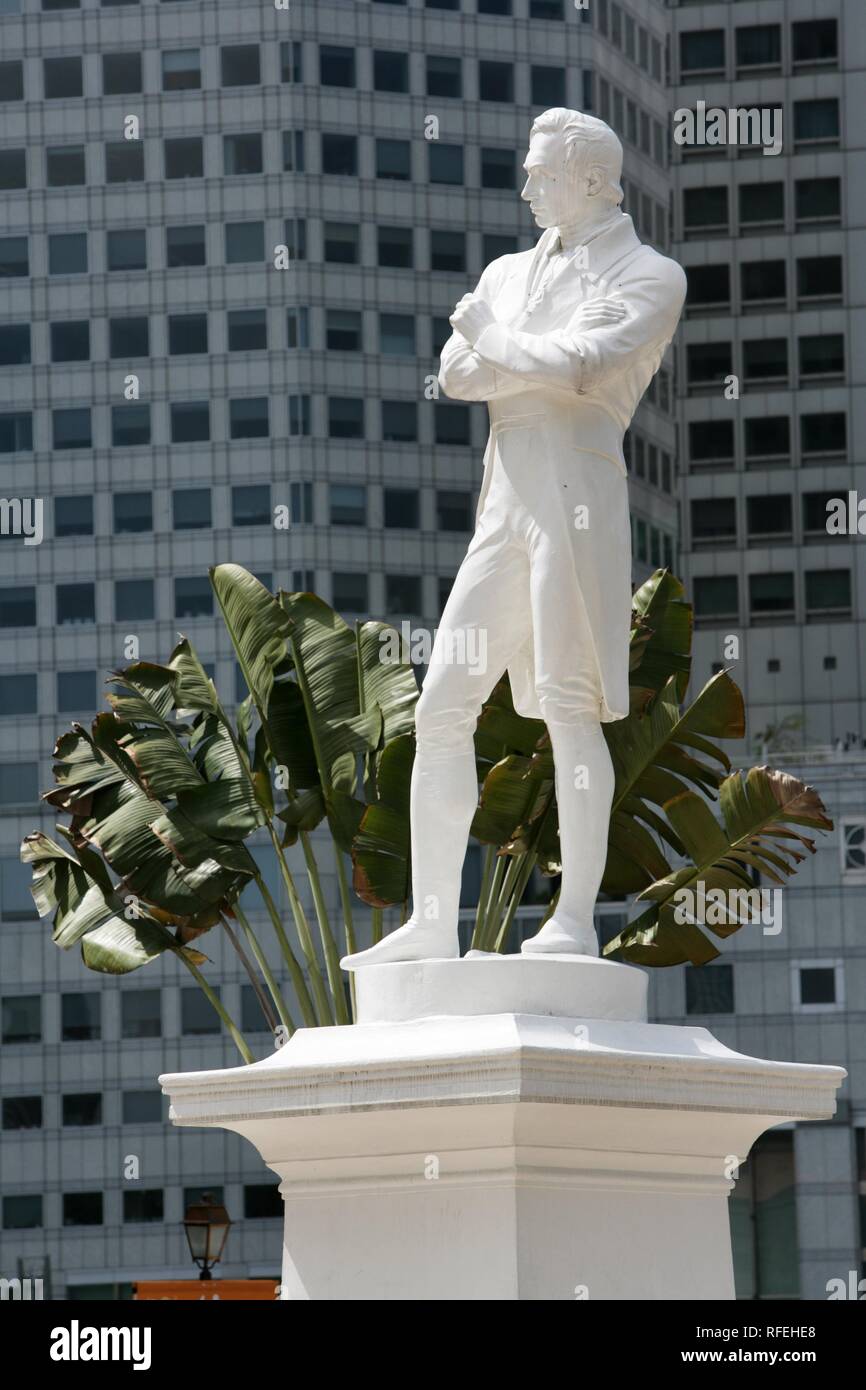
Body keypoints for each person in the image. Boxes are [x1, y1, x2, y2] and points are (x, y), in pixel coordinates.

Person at [341, 108, 687, 969]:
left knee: (571, 711)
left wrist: (500, 342)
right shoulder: (508, 269)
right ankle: (429, 921)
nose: (527, 185)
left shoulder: (650, 275)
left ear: (594, 181)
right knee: (441, 704)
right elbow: (458, 376)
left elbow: (578, 363)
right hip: (505, 504)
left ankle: (572, 919)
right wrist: (511, 353)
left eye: (542, 172)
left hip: (575, 499)